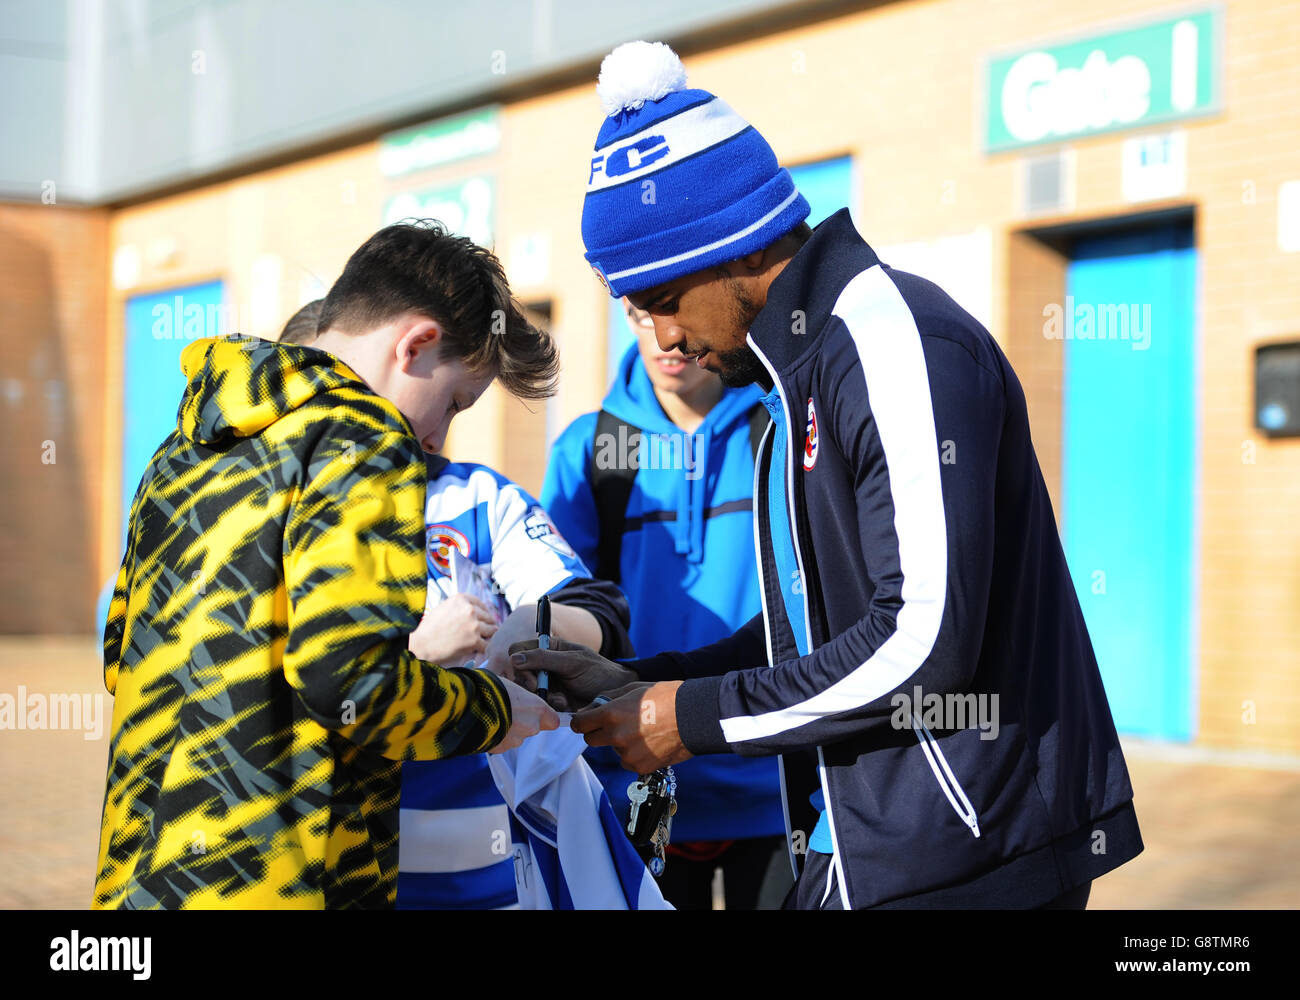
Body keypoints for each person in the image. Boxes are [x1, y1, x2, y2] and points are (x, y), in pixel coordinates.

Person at [511, 41, 1143, 909]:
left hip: (976, 856)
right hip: (873, 847)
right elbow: (811, 628)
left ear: (730, 247)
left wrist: (686, 721)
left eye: (660, 301)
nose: (661, 341)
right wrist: (650, 682)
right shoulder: (793, 381)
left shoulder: (893, 344)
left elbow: (921, 641)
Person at [94, 220, 560, 909]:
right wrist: (495, 710)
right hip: (282, 881)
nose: (438, 435)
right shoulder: (367, 441)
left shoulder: (181, 448)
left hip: (142, 875)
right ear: (417, 344)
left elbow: (121, 655)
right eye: (455, 402)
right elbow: (352, 684)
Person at [282, 295, 642, 909]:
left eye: (458, 408)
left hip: (473, 863)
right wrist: (411, 653)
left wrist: (526, 630)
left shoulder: (476, 496)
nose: (437, 430)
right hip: (312, 853)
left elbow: (597, 609)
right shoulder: (263, 501)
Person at [540, 296, 790, 909]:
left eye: (668, 308)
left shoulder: (780, 429)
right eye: (634, 315)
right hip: (638, 781)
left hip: (775, 777)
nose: (658, 335)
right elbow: (556, 613)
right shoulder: (590, 449)